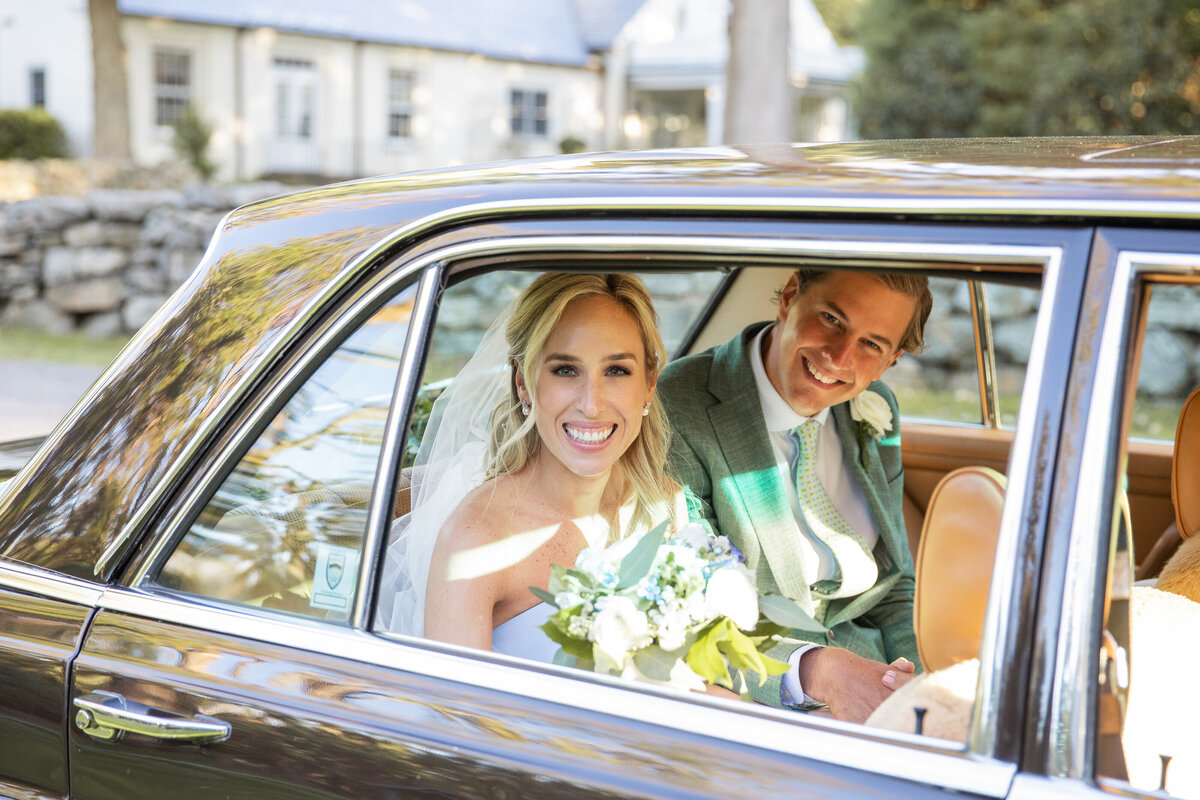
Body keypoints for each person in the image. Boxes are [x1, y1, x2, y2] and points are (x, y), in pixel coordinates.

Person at [658, 267, 933, 723]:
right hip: (755, 699)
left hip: (876, 680)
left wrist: (920, 687)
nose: (839, 357)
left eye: (871, 345)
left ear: (891, 360)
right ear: (789, 297)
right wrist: (817, 673)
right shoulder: (679, 407)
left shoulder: (876, 406)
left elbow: (894, 584)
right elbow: (684, 616)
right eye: (831, 319)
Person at [380, 272, 682, 662]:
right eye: (565, 370)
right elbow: (457, 717)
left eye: (616, 371)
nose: (591, 404)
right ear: (523, 383)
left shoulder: (664, 505)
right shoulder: (478, 537)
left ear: (649, 383)